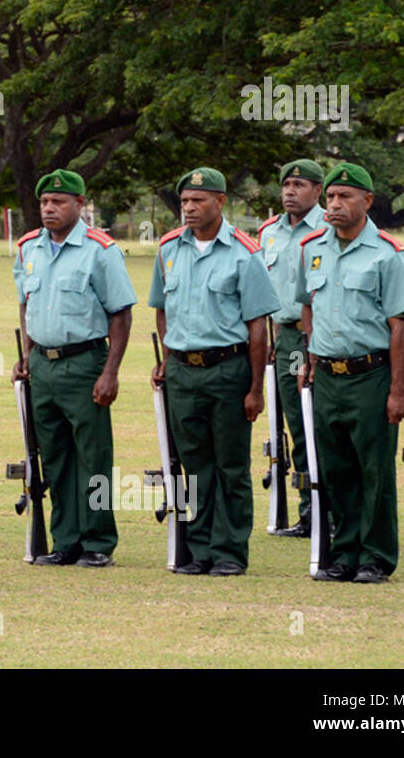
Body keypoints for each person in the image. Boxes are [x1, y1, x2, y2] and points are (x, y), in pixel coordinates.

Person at [149, 167, 278, 576]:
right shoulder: (169, 248)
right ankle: (200, 549)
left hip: (228, 370)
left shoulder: (245, 252)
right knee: (194, 464)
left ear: (220, 202)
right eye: (185, 200)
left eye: (198, 200)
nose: (189, 208)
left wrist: (256, 388)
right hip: (184, 373)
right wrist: (168, 360)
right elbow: (161, 311)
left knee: (231, 465)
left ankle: (230, 551)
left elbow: (259, 327)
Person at [296, 162, 404, 584]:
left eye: (344, 197)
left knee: (374, 470)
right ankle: (343, 553)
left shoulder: (387, 253)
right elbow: (305, 305)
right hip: (327, 375)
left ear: (367, 201)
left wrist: (397, 390)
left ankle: (376, 555)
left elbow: (400, 325)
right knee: (335, 469)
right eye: (330, 196)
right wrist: (310, 359)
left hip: (371, 374)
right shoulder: (312, 247)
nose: (334, 204)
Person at [12, 169, 135, 566]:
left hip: (85, 363)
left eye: (59, 202)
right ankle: (65, 541)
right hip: (42, 366)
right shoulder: (28, 247)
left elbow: (120, 313)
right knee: (54, 457)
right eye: (45, 202)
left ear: (80, 205)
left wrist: (110, 372)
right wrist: (25, 355)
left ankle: (98, 541)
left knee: (93, 457)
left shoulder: (101, 250)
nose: (50, 208)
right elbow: (26, 303)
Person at [257, 159, 326, 537]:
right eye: (285, 184)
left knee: (317, 424)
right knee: (295, 428)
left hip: (317, 337)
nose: (289, 191)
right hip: (284, 338)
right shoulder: (269, 232)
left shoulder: (329, 229)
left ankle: (328, 508)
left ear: (317, 191)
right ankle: (308, 509)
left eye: (299, 185)